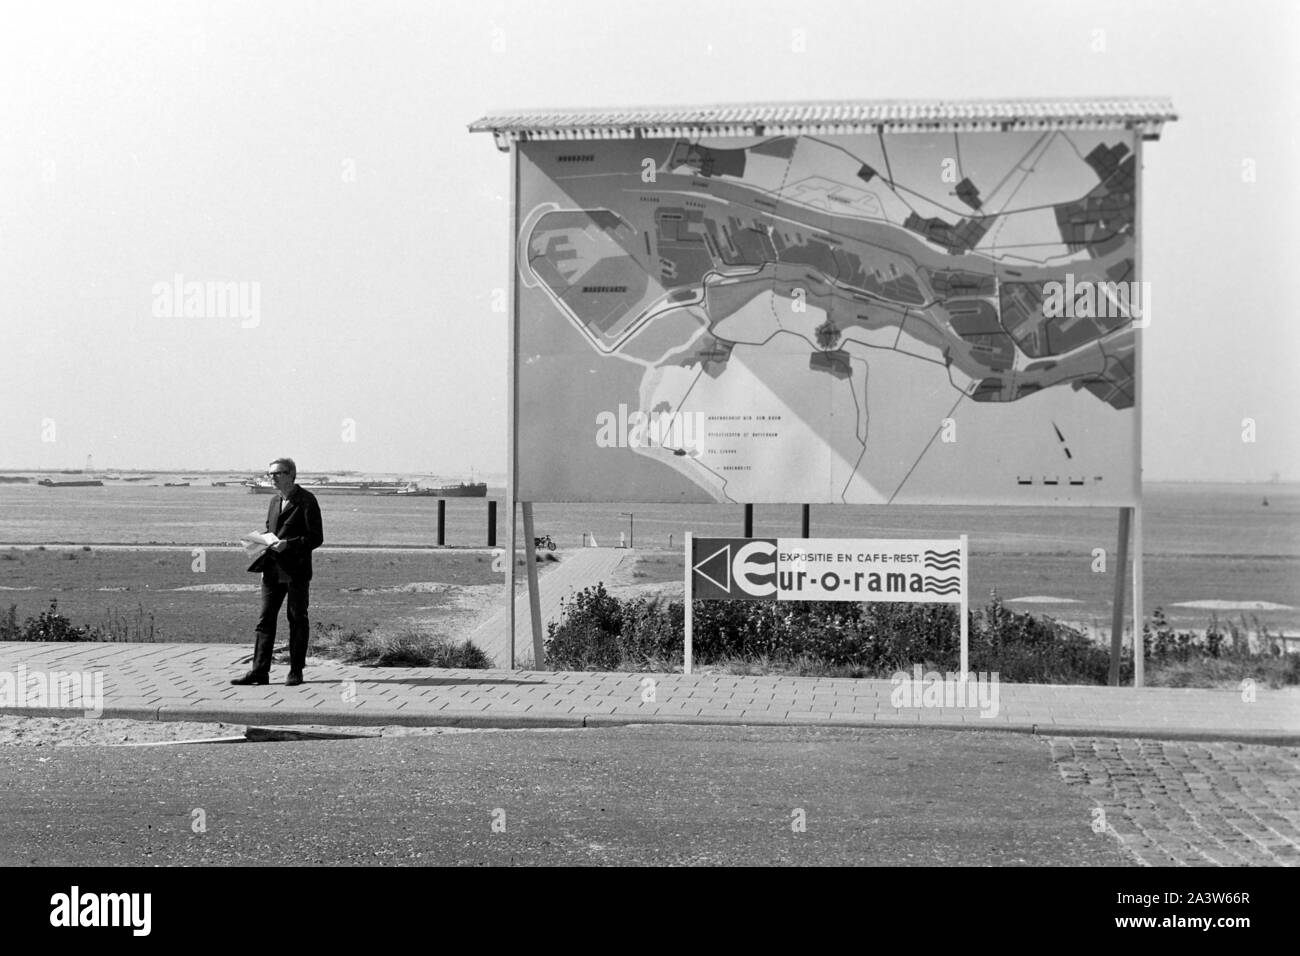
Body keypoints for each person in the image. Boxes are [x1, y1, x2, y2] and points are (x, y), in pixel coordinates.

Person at [231, 458, 324, 687]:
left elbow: (315, 537)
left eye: (278, 473)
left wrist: (288, 544)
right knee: (265, 621)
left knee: (297, 619)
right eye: (270, 473)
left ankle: (296, 670)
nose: (272, 477)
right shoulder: (273, 501)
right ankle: (259, 671)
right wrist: (255, 542)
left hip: (296, 572)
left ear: (291, 475)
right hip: (272, 570)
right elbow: (271, 531)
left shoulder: (307, 501)